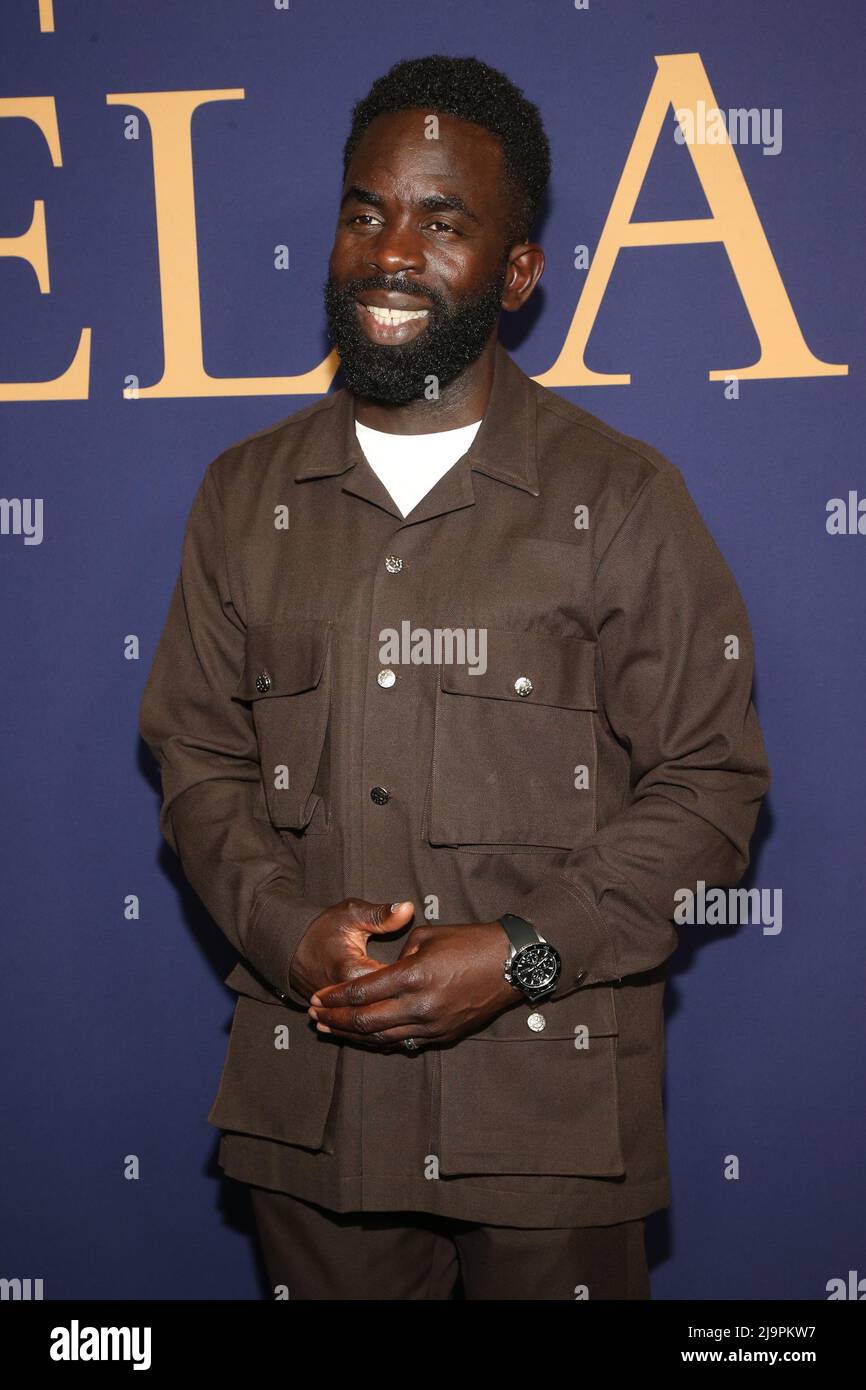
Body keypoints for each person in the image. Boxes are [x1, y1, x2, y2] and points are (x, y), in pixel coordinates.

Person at [138, 54, 771, 1300]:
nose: (390, 252)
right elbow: (195, 760)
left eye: (442, 222)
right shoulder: (241, 497)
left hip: (545, 1131)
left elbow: (709, 789)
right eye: (365, 211)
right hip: (308, 1127)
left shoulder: (622, 500)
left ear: (517, 273)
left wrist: (521, 954)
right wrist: (286, 932)